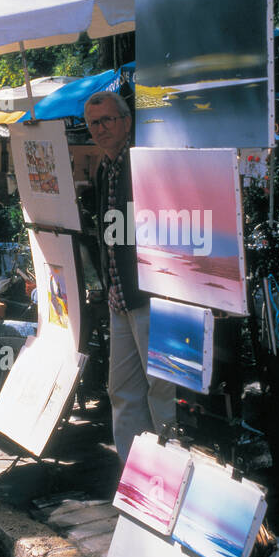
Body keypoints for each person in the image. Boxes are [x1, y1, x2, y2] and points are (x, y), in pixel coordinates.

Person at [83, 90, 176, 465]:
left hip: (149, 295)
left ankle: (170, 472)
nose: (100, 129)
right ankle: (132, 476)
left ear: (126, 122)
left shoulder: (142, 163)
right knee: (122, 391)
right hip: (120, 298)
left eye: (106, 120)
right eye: (93, 123)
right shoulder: (105, 167)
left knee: (162, 392)